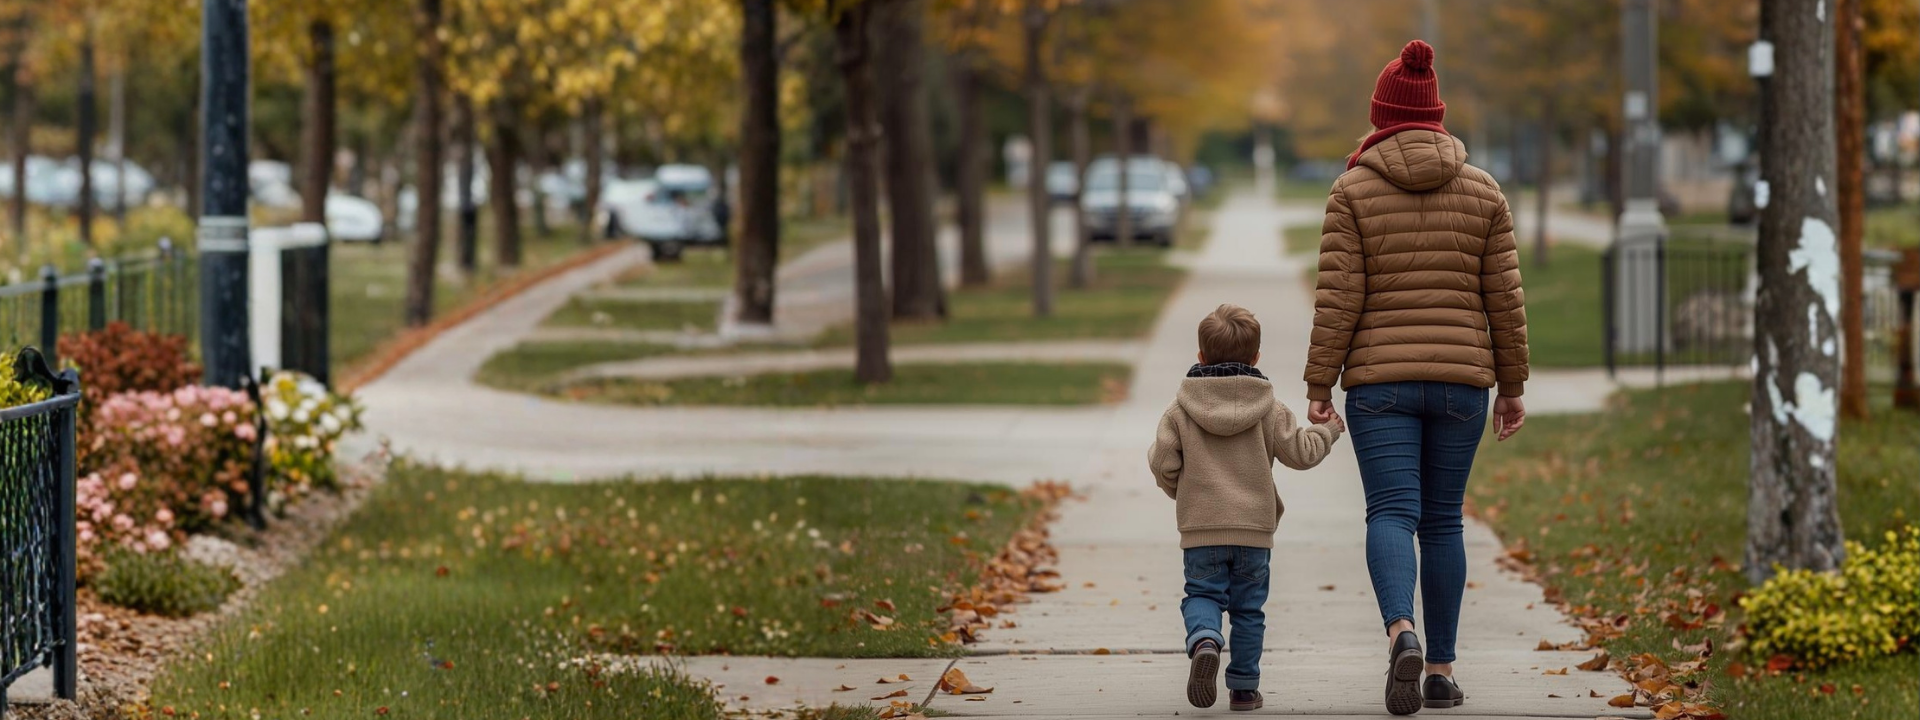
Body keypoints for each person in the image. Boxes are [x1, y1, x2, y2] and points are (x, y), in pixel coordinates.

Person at [1301, 39, 1531, 715]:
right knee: (1443, 524)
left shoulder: (1352, 189)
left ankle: (1401, 630)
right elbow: (1505, 302)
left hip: (1381, 386)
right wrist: (1512, 385)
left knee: (1391, 514)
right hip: (1463, 383)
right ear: (1437, 115)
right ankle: (1440, 670)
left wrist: (1319, 383)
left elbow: (1337, 298)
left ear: (1380, 117)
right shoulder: (1485, 189)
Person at [1150, 304, 1345, 712]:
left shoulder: (1180, 408)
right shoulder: (1269, 408)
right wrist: (1327, 431)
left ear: (1200, 356)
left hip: (1201, 528)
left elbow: (1162, 461)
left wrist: (1181, 492)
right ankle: (1243, 689)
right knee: (1248, 610)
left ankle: (1205, 639)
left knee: (1201, 593)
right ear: (1257, 358)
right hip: (1254, 533)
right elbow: (1301, 452)